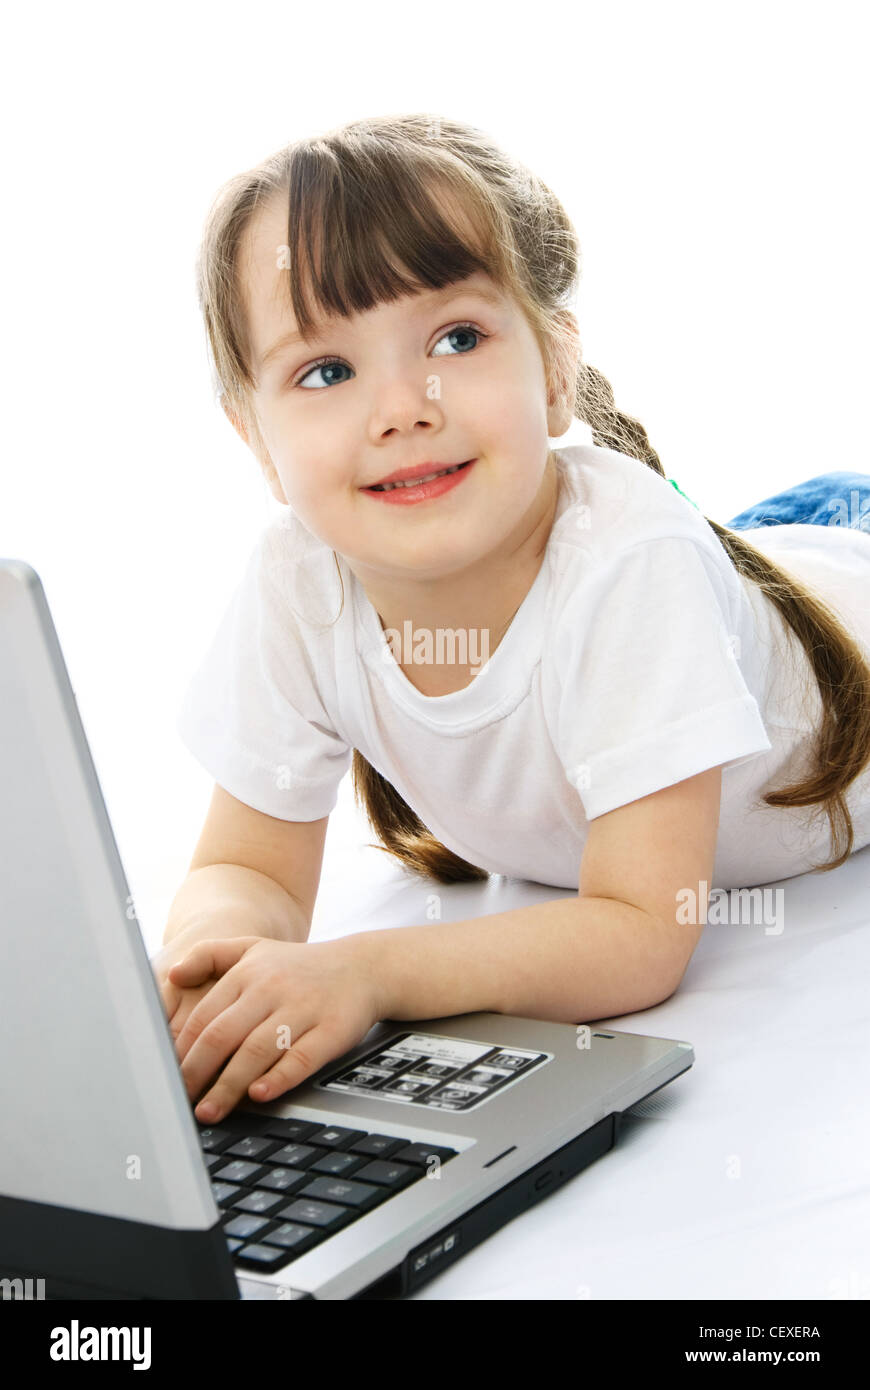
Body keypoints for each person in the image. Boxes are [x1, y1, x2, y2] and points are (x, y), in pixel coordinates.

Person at [154, 113, 870, 1125]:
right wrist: (210, 971)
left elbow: (640, 928)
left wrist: (365, 974)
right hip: (755, 568)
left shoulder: (630, 564)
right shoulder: (298, 580)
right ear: (254, 437)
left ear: (553, 367)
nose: (402, 406)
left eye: (457, 338)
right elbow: (243, 867)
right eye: (326, 371)